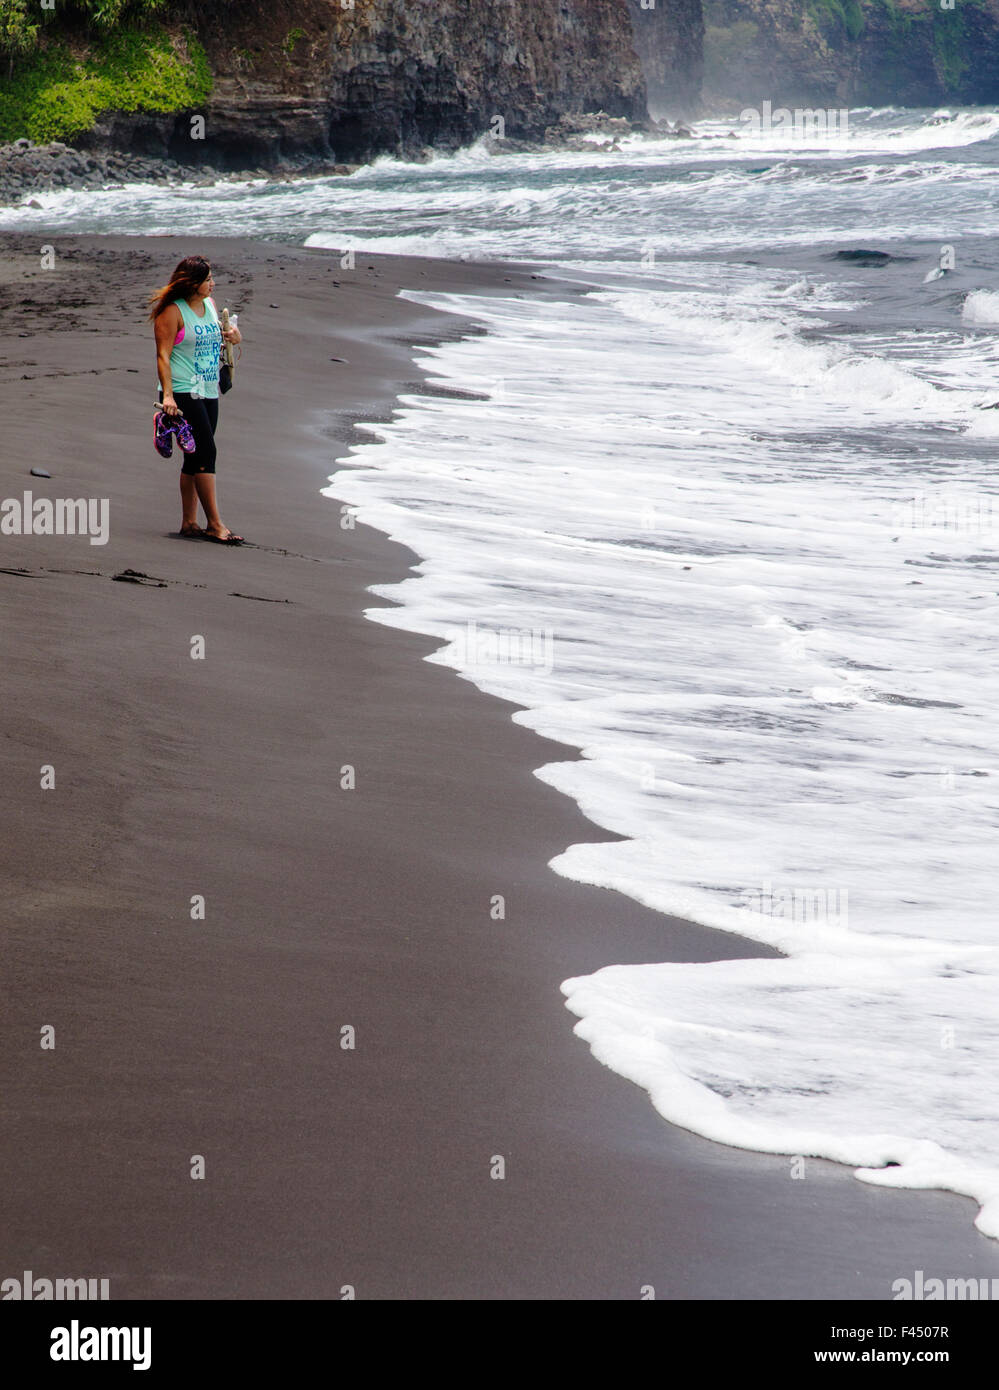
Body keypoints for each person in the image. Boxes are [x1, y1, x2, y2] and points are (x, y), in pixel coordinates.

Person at [149, 255, 244, 543]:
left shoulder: (210, 306)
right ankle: (215, 524)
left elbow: (219, 341)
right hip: (180, 391)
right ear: (192, 283)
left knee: (194, 456)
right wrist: (167, 396)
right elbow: (163, 356)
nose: (213, 284)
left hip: (208, 389)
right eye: (208, 280)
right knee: (206, 453)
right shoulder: (171, 312)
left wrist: (234, 337)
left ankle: (189, 523)